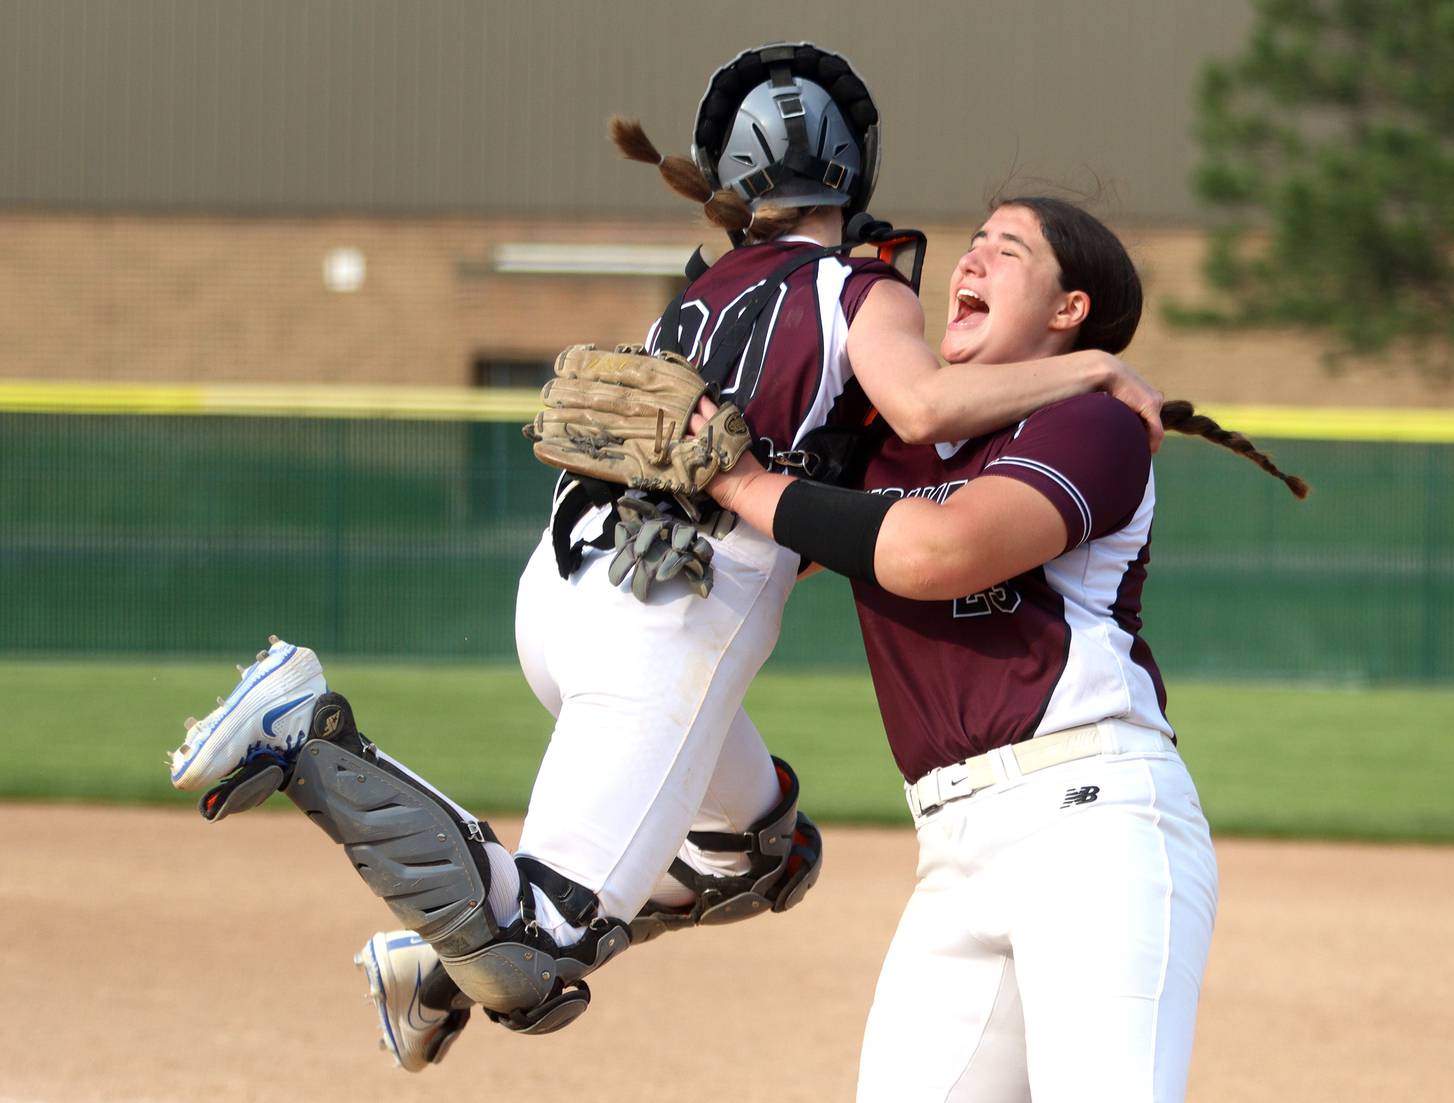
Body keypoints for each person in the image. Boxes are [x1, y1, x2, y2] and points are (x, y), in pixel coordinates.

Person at [165, 44, 1167, 1073]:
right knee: (531, 950)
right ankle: (309, 739)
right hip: (669, 619)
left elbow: (824, 512)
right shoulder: (859, 290)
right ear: (852, 175)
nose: (966, 259)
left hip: (558, 600)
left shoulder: (687, 303)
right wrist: (1093, 366)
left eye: (1002, 248)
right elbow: (915, 408)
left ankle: (433, 961)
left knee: (761, 853)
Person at [670, 196, 1307, 1100]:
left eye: (1005, 251)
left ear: (1068, 312)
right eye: (969, 245)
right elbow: (769, 540)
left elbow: (940, 551)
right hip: (951, 852)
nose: (968, 263)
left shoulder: (1092, 422)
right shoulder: (891, 445)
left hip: (1093, 825)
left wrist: (739, 479)